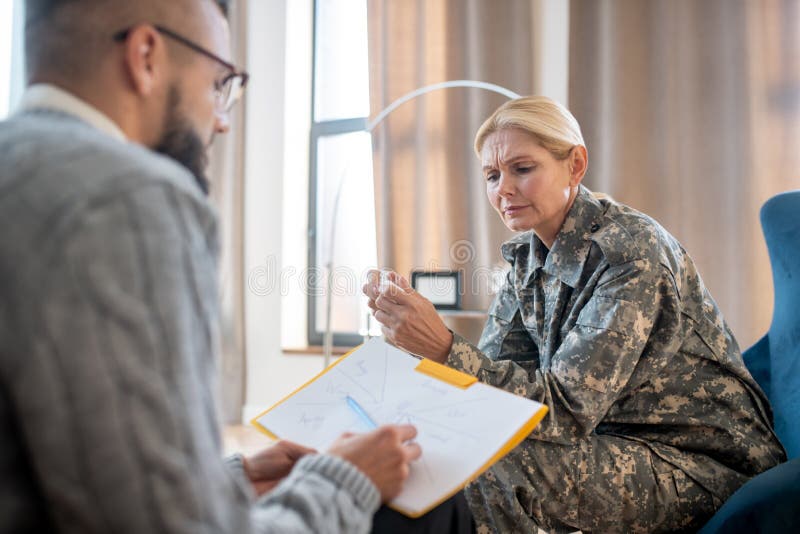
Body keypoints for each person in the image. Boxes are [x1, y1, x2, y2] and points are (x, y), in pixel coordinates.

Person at [0, 1, 474, 533]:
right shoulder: (127, 197)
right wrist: (345, 478)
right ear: (145, 56)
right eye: (219, 84)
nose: (223, 121)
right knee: (434, 509)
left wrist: (232, 476)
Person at [364, 96, 787, 533]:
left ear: (575, 165)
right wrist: (415, 348)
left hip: (700, 462)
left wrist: (443, 346)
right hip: (609, 441)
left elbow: (563, 411)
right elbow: (491, 391)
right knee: (433, 450)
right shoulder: (527, 260)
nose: (503, 189)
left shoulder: (631, 252)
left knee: (490, 469)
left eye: (522, 169)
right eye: (492, 175)